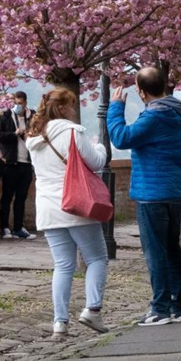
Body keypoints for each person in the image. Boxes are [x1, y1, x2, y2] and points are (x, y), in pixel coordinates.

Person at [107, 67, 181, 326]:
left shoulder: (153, 116)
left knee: (156, 252)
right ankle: (179, 306)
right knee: (172, 250)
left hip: (152, 194)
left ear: (141, 91)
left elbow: (121, 138)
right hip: (177, 194)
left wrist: (115, 108)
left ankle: (160, 309)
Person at [25, 88, 109, 337]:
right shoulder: (73, 132)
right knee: (97, 258)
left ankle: (59, 322)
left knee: (63, 265)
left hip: (48, 208)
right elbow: (97, 162)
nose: (74, 109)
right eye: (72, 105)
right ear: (62, 108)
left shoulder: (34, 137)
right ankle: (92, 309)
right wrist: (101, 148)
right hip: (76, 204)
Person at [0, 91, 36, 240]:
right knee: (7, 196)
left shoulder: (32, 116)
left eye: (20, 103)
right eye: (16, 103)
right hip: (11, 162)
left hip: (26, 162)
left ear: (25, 103)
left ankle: (19, 227)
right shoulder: (5, 116)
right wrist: (15, 133)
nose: (18, 106)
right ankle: (5, 227)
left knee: (21, 196)